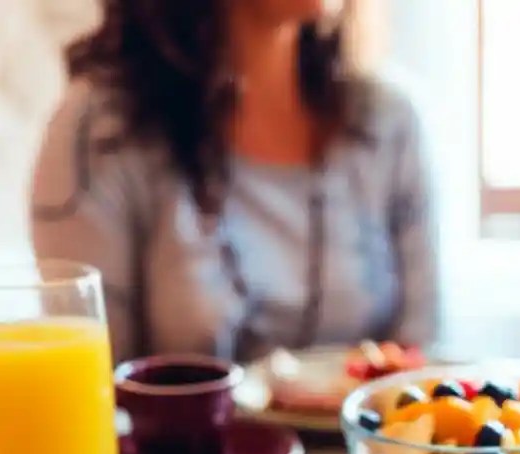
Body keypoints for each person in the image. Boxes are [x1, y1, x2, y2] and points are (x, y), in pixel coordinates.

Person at [31, 0, 438, 363]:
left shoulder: (388, 123)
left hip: (364, 450)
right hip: (182, 448)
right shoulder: (102, 131)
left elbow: (419, 367)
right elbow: (98, 390)